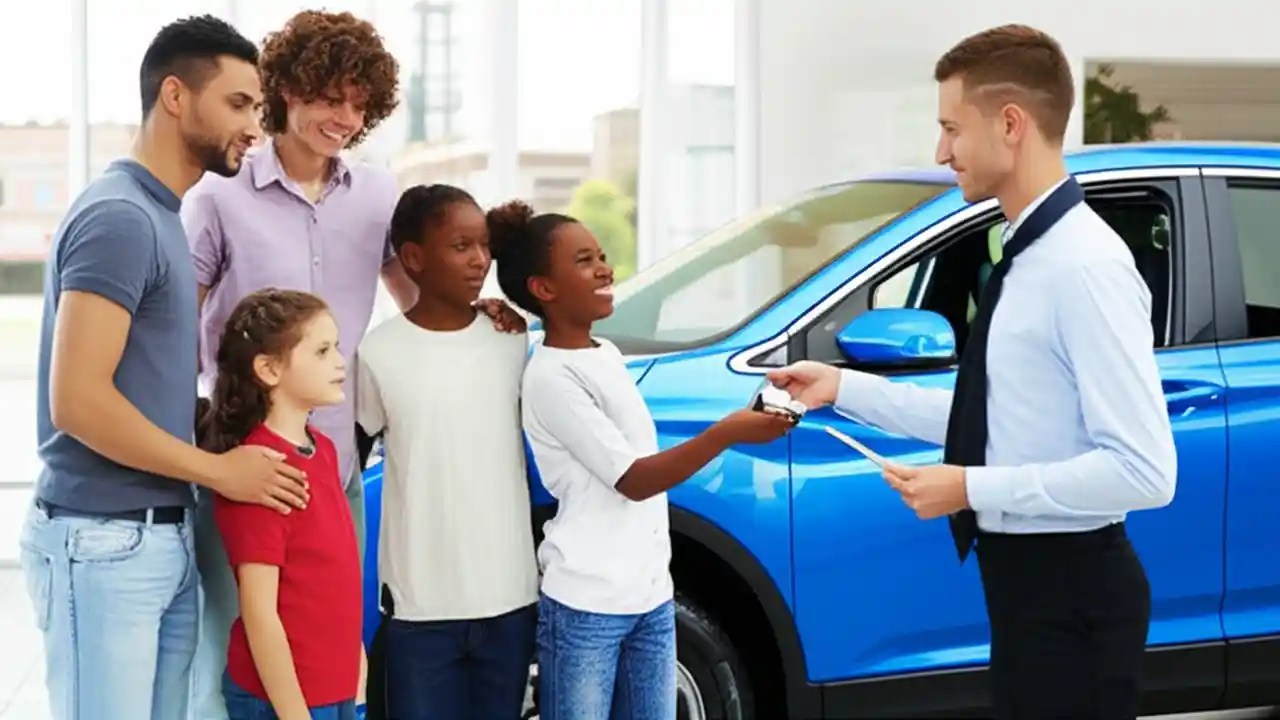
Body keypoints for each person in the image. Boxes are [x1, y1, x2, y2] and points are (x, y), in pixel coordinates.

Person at [767, 24, 1177, 720]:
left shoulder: (1084, 268)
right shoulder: (1026, 252)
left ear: (1010, 124)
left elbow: (1145, 472)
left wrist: (969, 487)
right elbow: (1000, 413)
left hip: (1070, 594)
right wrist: (847, 389)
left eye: (951, 128)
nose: (941, 151)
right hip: (1029, 588)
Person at [181, 11, 523, 717]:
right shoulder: (220, 193)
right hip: (251, 462)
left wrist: (485, 313)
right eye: (329, 97)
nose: (343, 117)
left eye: (358, 104)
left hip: (336, 461)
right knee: (246, 642)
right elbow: (179, 323)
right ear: (287, 89)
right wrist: (200, 433)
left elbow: (415, 296)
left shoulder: (375, 193)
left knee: (333, 651)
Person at [19, 16, 310, 720]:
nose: (255, 126)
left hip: (157, 533)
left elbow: (139, 387)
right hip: (104, 540)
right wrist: (219, 471)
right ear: (175, 96)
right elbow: (78, 402)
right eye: (239, 104)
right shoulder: (121, 218)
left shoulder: (161, 217)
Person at [487, 199, 795, 719]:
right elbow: (633, 479)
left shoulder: (603, 355)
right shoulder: (552, 376)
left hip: (649, 596)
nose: (605, 268)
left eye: (602, 255)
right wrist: (727, 433)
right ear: (544, 289)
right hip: (587, 605)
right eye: (584, 261)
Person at [355, 185, 539, 719]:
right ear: (413, 259)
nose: (480, 259)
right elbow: (352, 451)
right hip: (419, 605)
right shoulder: (377, 353)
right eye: (461, 246)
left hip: (509, 597)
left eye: (483, 245)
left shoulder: (512, 339)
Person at [197, 288, 362, 720]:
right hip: (285, 701)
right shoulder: (261, 471)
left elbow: (334, 574)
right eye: (323, 351)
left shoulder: (322, 450)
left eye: (338, 348)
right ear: (269, 369)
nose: (340, 362)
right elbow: (260, 612)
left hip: (334, 689)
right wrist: (293, 713)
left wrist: (355, 667)